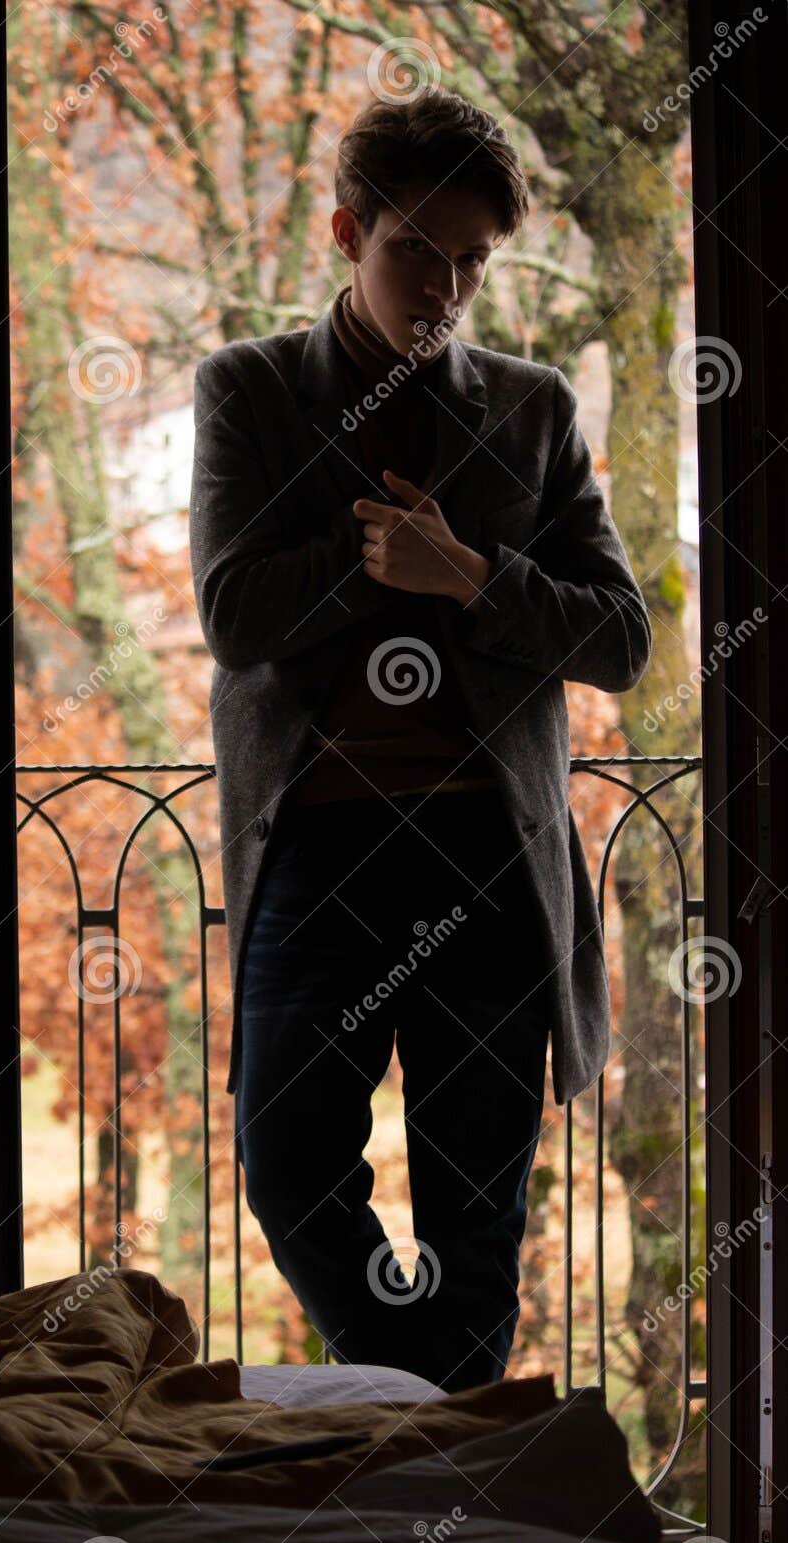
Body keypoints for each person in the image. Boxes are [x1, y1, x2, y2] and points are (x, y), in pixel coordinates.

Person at [188, 87, 651, 1391]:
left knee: (477, 1219)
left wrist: (473, 576)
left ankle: (434, 1507)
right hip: (318, 850)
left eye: (470, 260)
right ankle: (428, 1424)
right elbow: (233, 614)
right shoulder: (254, 391)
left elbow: (620, 639)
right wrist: (370, 554)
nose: (444, 285)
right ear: (346, 230)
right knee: (287, 1172)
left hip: (486, 858)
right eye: (415, 250)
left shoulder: (535, 407)